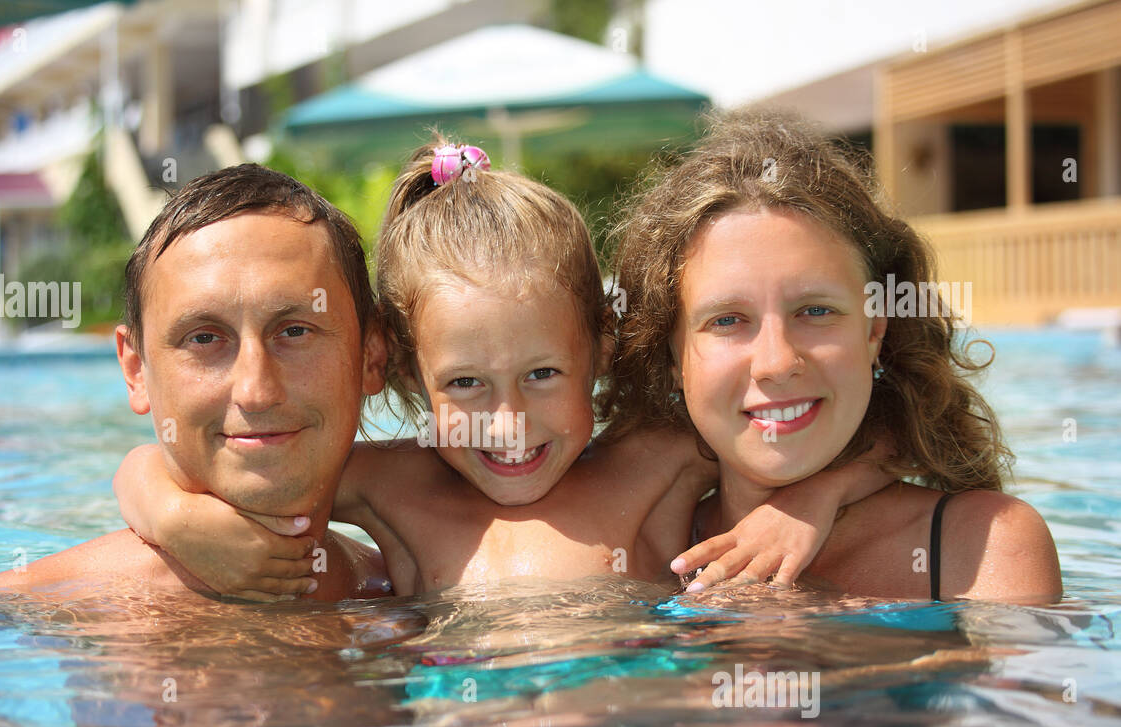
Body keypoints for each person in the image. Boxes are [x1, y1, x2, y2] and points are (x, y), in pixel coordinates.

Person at [113, 139, 896, 599]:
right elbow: (192, 456)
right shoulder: (393, 483)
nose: (509, 421)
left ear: (602, 345)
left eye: (545, 375)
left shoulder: (656, 458)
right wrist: (172, 516)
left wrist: (811, 502)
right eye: (464, 385)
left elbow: (868, 427)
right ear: (404, 372)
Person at [606, 110, 1062, 604]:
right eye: (727, 320)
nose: (777, 362)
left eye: (816, 310)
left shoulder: (980, 547)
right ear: (671, 358)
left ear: (874, 333)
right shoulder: (635, 550)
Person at [0, 163, 391, 602]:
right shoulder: (14, 608)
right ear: (137, 371)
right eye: (205, 338)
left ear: (372, 355)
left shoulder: (405, 585)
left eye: (294, 331)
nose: (256, 392)